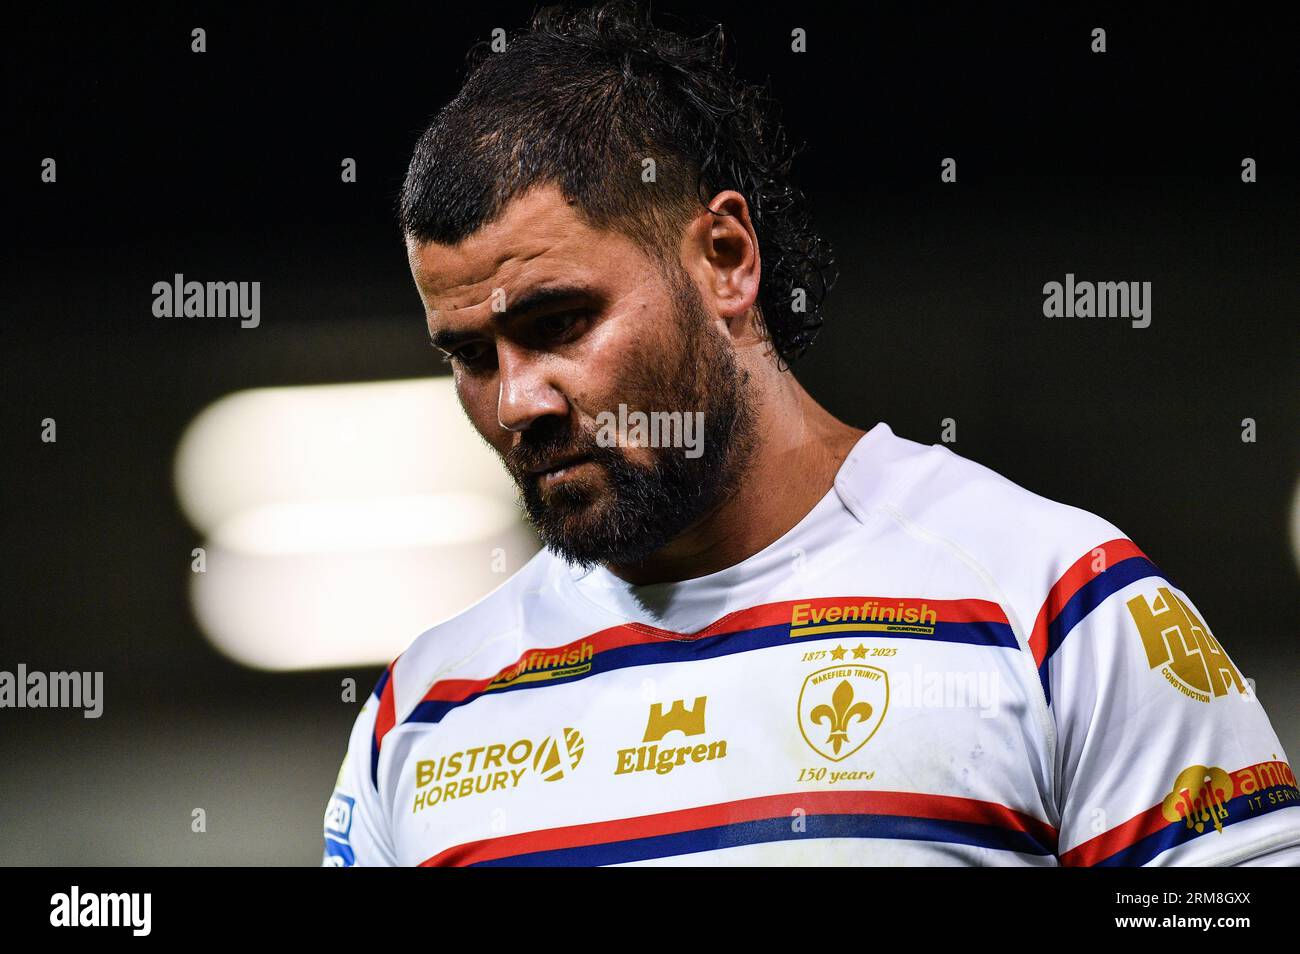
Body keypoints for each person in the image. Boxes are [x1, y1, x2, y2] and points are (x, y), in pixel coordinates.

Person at [321, 0, 1298, 866]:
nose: (517, 400)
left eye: (559, 323)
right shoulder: (421, 716)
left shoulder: (1059, 607)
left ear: (725, 260)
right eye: (471, 354)